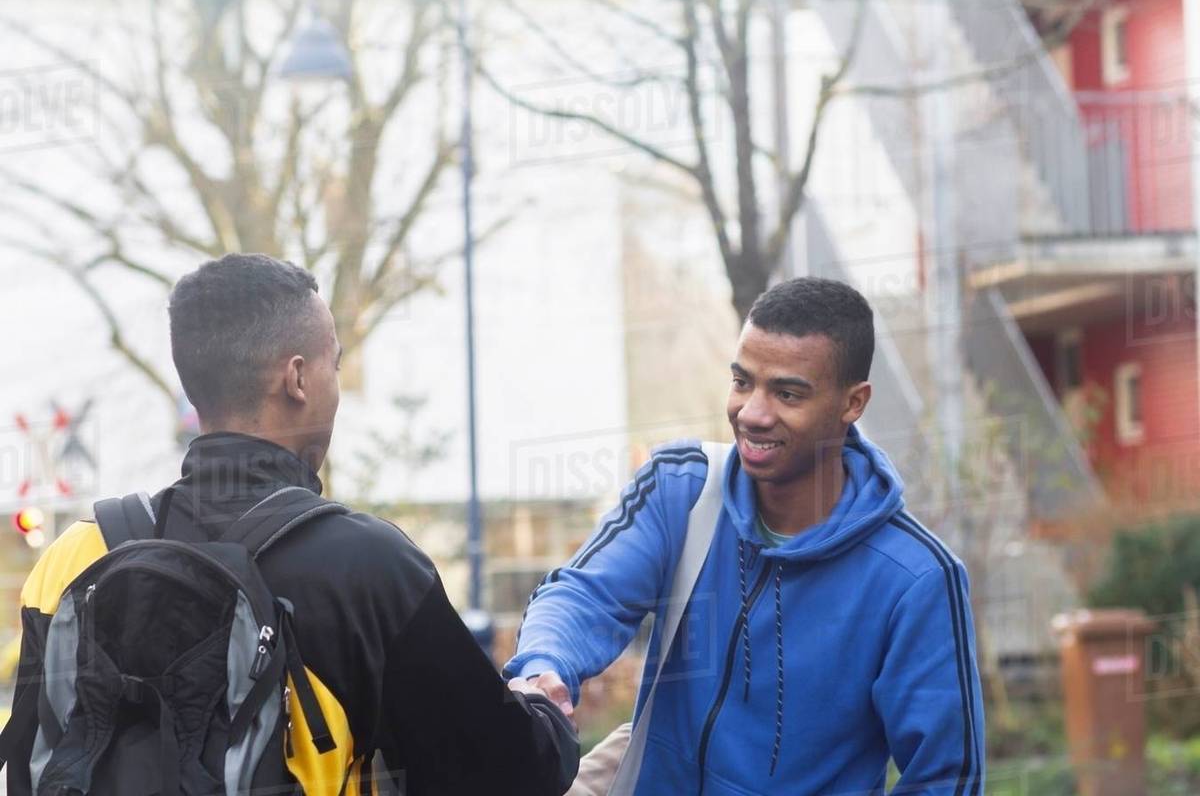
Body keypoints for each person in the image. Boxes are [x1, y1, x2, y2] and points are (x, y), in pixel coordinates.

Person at [10, 253, 578, 795]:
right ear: (298, 379)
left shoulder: (73, 556)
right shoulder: (369, 568)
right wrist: (544, 710)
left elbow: (27, 768)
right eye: (335, 363)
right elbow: (506, 776)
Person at [505, 277, 985, 795]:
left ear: (853, 403)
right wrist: (545, 666)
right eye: (742, 382)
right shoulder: (682, 490)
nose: (752, 413)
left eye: (787, 392)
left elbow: (945, 777)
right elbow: (584, 593)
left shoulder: (916, 578)